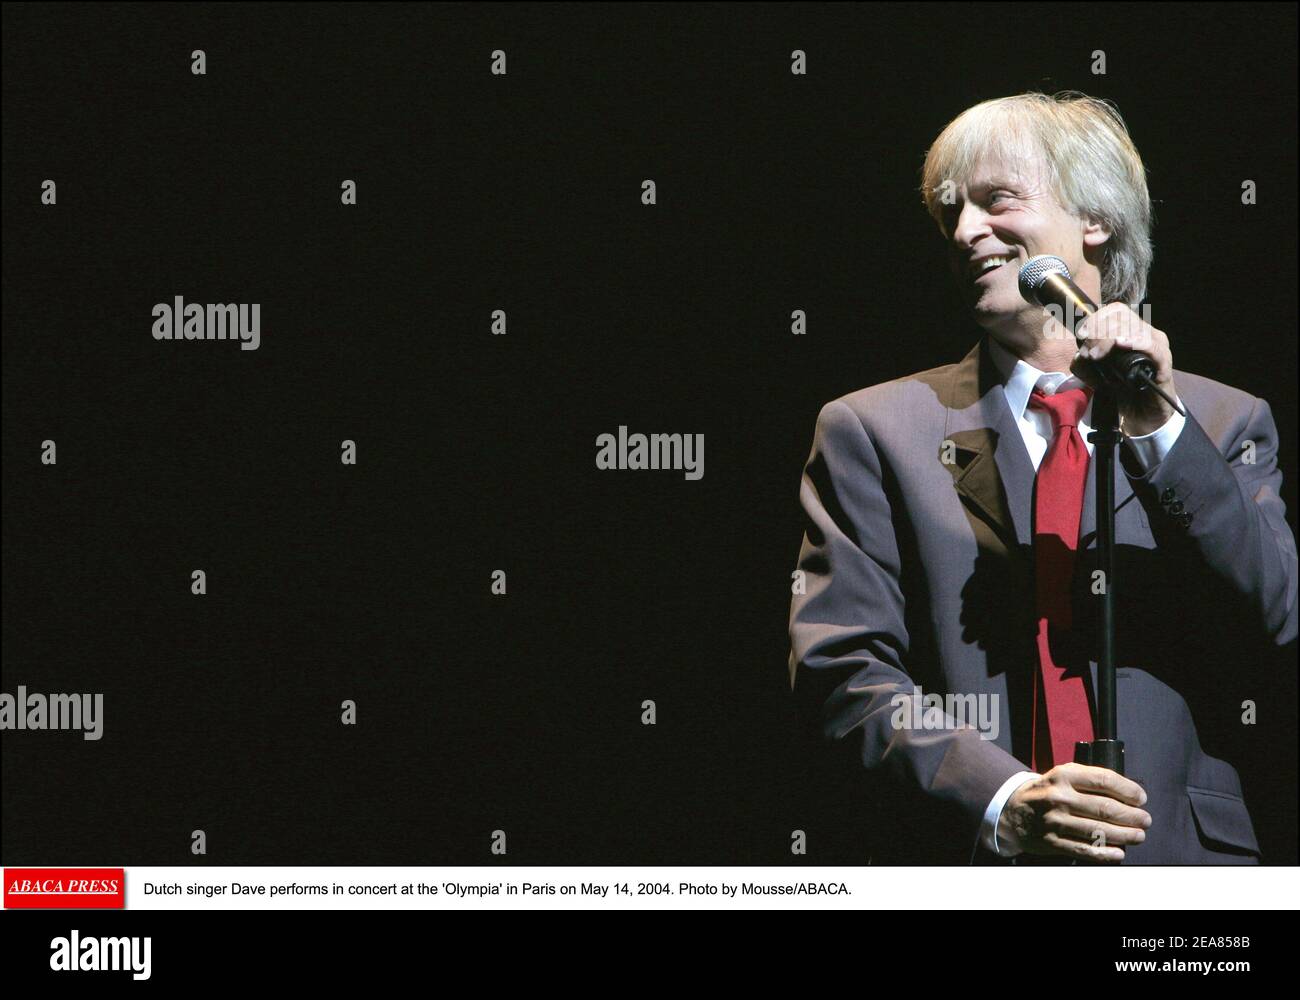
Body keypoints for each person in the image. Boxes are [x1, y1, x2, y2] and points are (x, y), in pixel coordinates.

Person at [787, 91, 1297, 864]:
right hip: (974, 862)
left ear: (1094, 220)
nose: (966, 232)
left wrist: (1160, 426)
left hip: (1179, 872)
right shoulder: (876, 429)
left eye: (997, 201)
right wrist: (1001, 798)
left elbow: (1278, 616)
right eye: (951, 214)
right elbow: (840, 666)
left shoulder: (1222, 423)